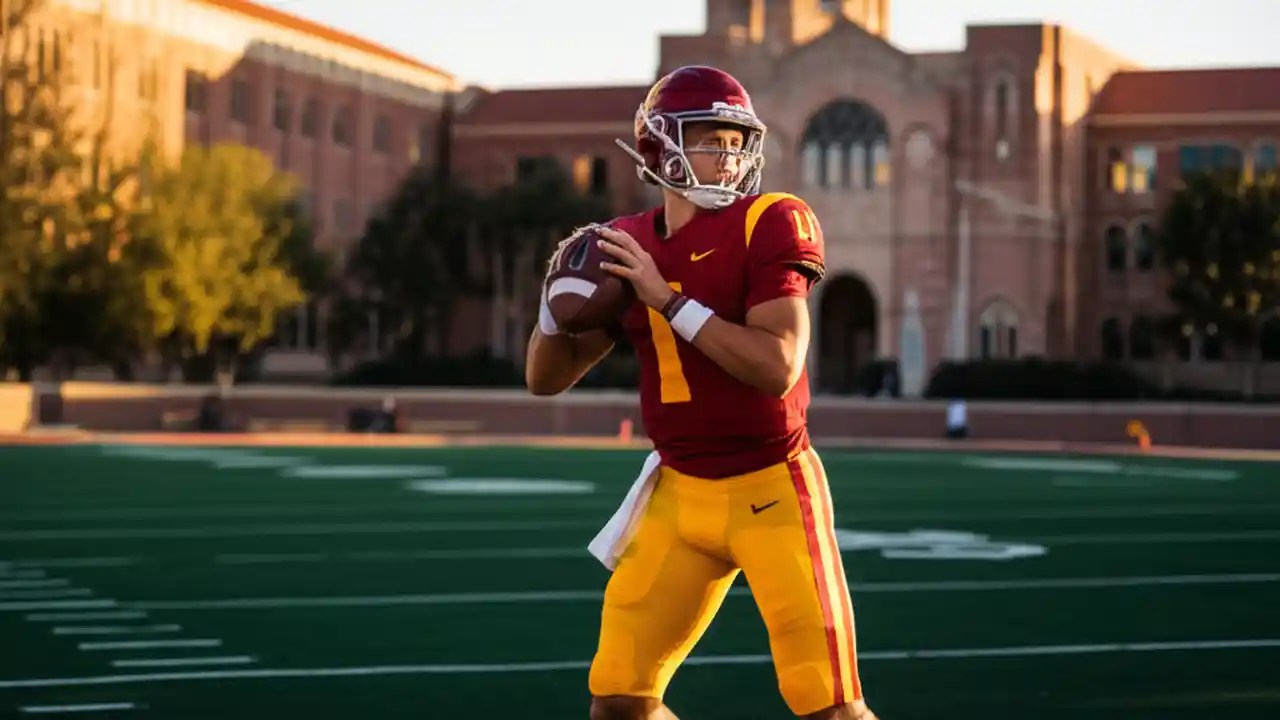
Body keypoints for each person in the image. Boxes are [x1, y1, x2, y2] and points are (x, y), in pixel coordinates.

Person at [525, 65, 878, 720]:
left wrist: (667, 298)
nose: (730, 155)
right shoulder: (625, 242)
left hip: (771, 487)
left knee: (827, 704)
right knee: (619, 700)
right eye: (711, 138)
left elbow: (779, 364)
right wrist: (554, 306)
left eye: (736, 140)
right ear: (661, 148)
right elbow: (545, 380)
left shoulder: (770, 220)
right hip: (679, 492)